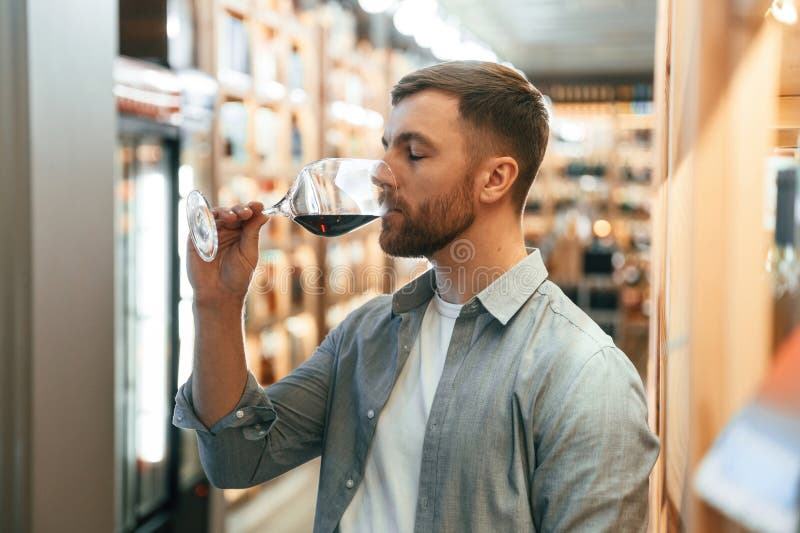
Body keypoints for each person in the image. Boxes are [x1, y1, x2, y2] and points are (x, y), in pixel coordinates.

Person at [174, 61, 660, 532]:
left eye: (415, 153)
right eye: (386, 149)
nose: (382, 175)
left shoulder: (585, 375)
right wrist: (216, 303)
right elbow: (238, 459)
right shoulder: (367, 334)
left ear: (495, 178)